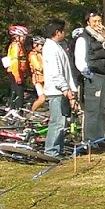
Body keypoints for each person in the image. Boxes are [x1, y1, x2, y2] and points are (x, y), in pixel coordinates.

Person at [74, 10, 105, 145]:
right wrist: (89, 75)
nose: (97, 24)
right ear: (88, 22)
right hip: (93, 76)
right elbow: (80, 61)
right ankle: (89, 139)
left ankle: (100, 137)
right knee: (92, 109)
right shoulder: (83, 38)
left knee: (103, 108)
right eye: (94, 21)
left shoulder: (103, 38)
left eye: (99, 21)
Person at [39, 20, 78, 157]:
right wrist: (65, 88)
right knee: (57, 122)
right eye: (63, 31)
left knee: (62, 122)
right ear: (57, 32)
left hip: (62, 90)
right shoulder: (50, 48)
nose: (65, 33)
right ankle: (51, 151)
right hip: (57, 91)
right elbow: (56, 72)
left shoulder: (57, 46)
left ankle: (58, 149)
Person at [3, 25, 31, 108]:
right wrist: (17, 76)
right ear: (17, 37)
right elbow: (15, 62)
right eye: (22, 37)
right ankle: (17, 110)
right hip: (16, 72)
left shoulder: (19, 46)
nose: (24, 39)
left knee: (15, 92)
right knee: (19, 93)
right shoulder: (16, 46)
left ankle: (13, 109)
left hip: (18, 72)